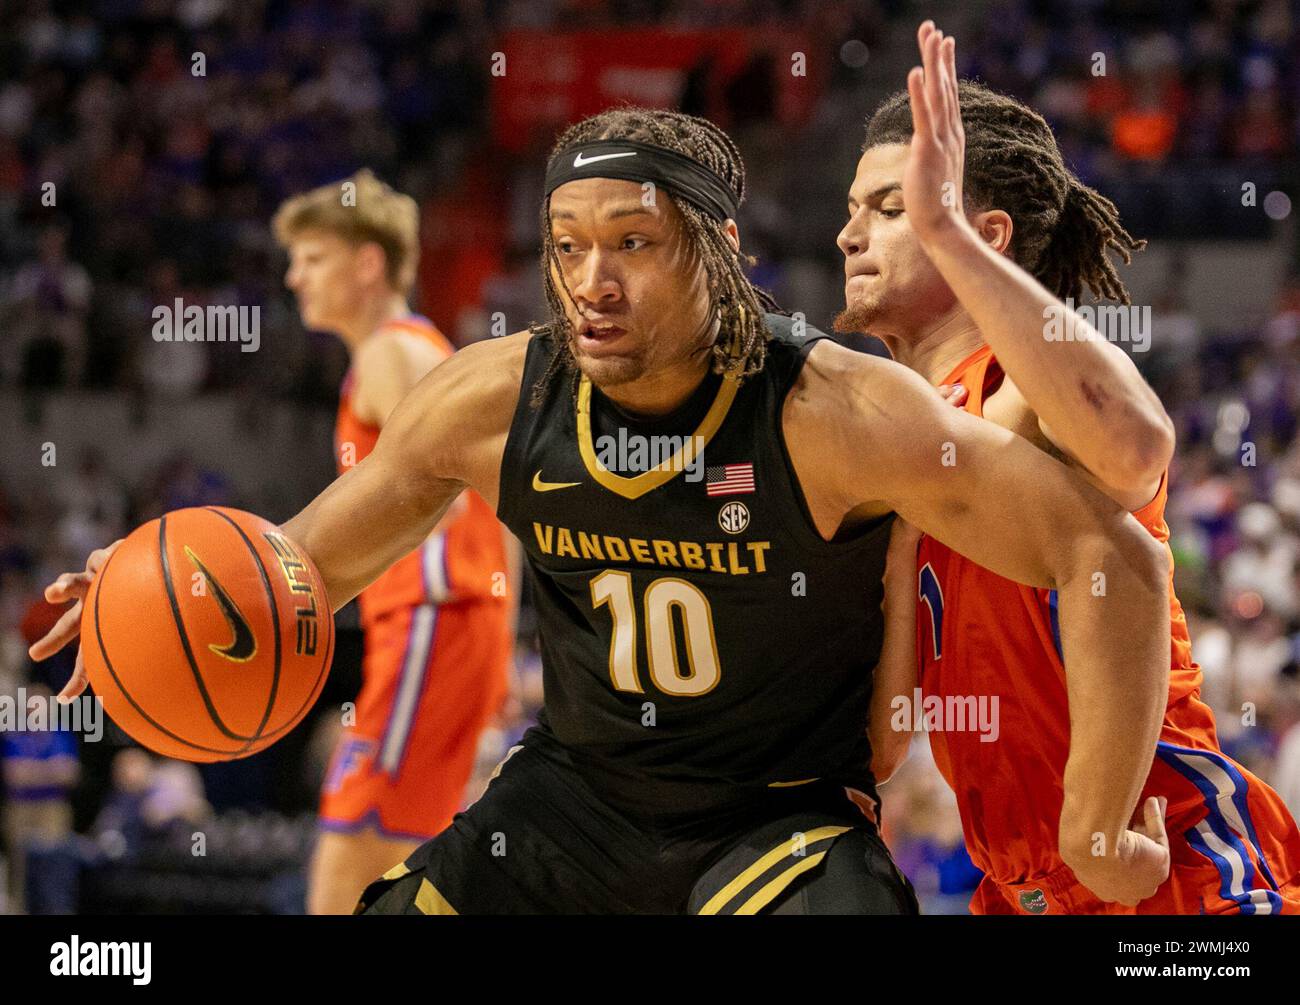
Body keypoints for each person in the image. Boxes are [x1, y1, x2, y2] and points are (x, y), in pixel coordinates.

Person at [34, 103, 1171, 915]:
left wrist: (1097, 826)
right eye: (568, 247)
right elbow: (298, 572)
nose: (592, 280)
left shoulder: (835, 407)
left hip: (776, 819)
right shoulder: (490, 398)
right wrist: (157, 595)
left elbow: (1105, 547)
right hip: (569, 801)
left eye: (633, 243)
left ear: (718, 254)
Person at [853, 22, 1300, 914]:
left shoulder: (1017, 392)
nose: (847, 233)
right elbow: (883, 740)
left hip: (1167, 862)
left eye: (887, 207)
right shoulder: (888, 438)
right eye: (854, 208)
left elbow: (1136, 445)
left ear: (985, 234)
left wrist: (943, 234)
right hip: (1016, 886)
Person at [270, 169, 515, 914]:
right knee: (410, 874)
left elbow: (440, 497)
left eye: (312, 258)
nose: (294, 275)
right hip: (445, 624)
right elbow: (499, 499)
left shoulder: (390, 354)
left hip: (433, 620)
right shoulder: (405, 353)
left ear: (367, 263)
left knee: (350, 870)